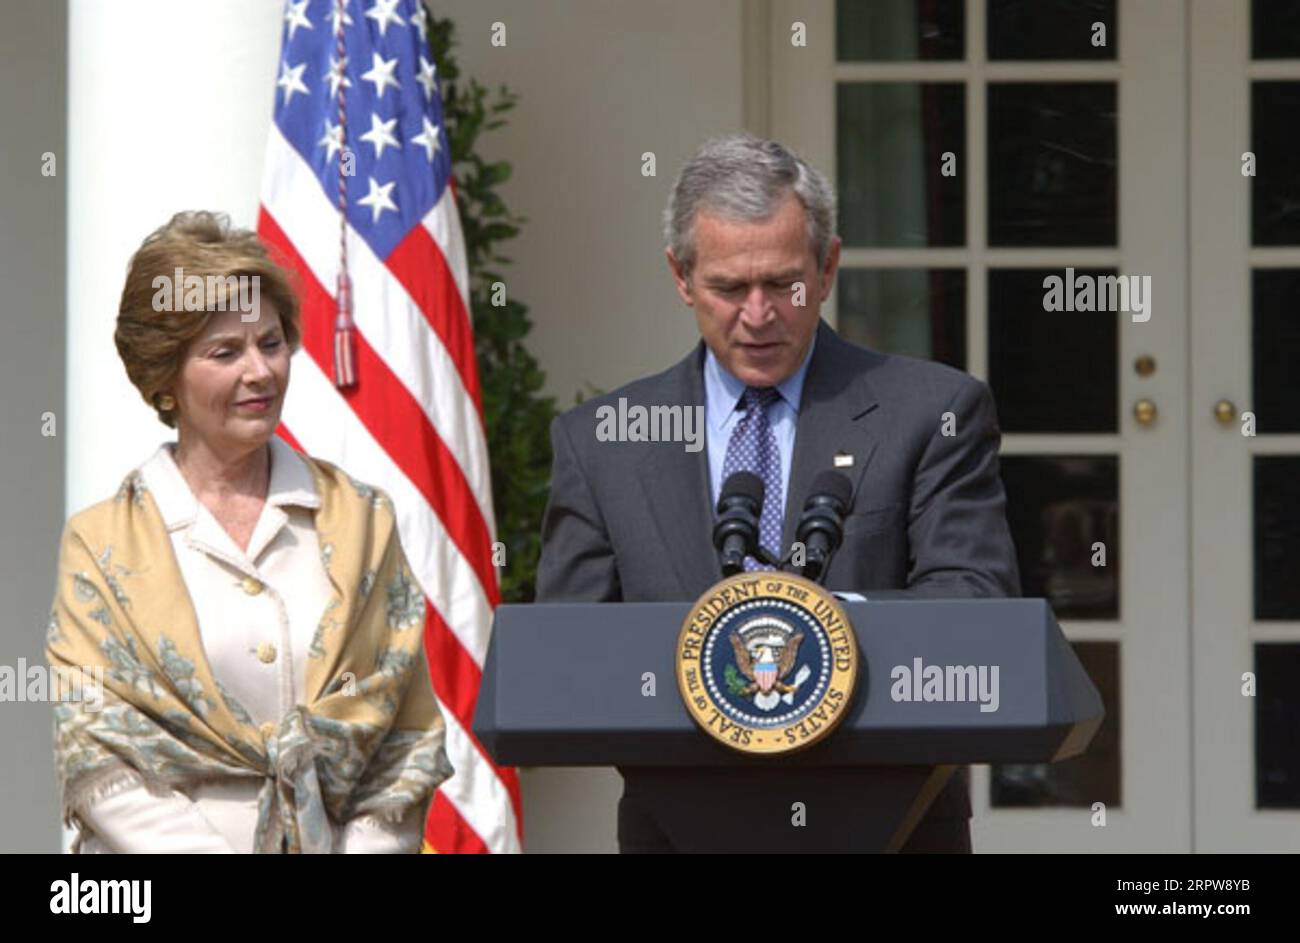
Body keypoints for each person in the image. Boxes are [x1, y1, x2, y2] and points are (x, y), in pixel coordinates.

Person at [536, 133, 1020, 853]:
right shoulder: (603, 440)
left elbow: (978, 609)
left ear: (828, 268)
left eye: (783, 284)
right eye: (730, 287)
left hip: (894, 828)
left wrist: (817, 620)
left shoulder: (933, 411)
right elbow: (570, 654)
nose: (758, 314)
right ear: (681, 276)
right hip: (679, 831)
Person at [46, 211, 452, 853]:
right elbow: (103, 759)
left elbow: (404, 744)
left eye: (271, 341)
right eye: (225, 352)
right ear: (165, 377)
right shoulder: (101, 547)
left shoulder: (363, 519)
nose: (260, 371)